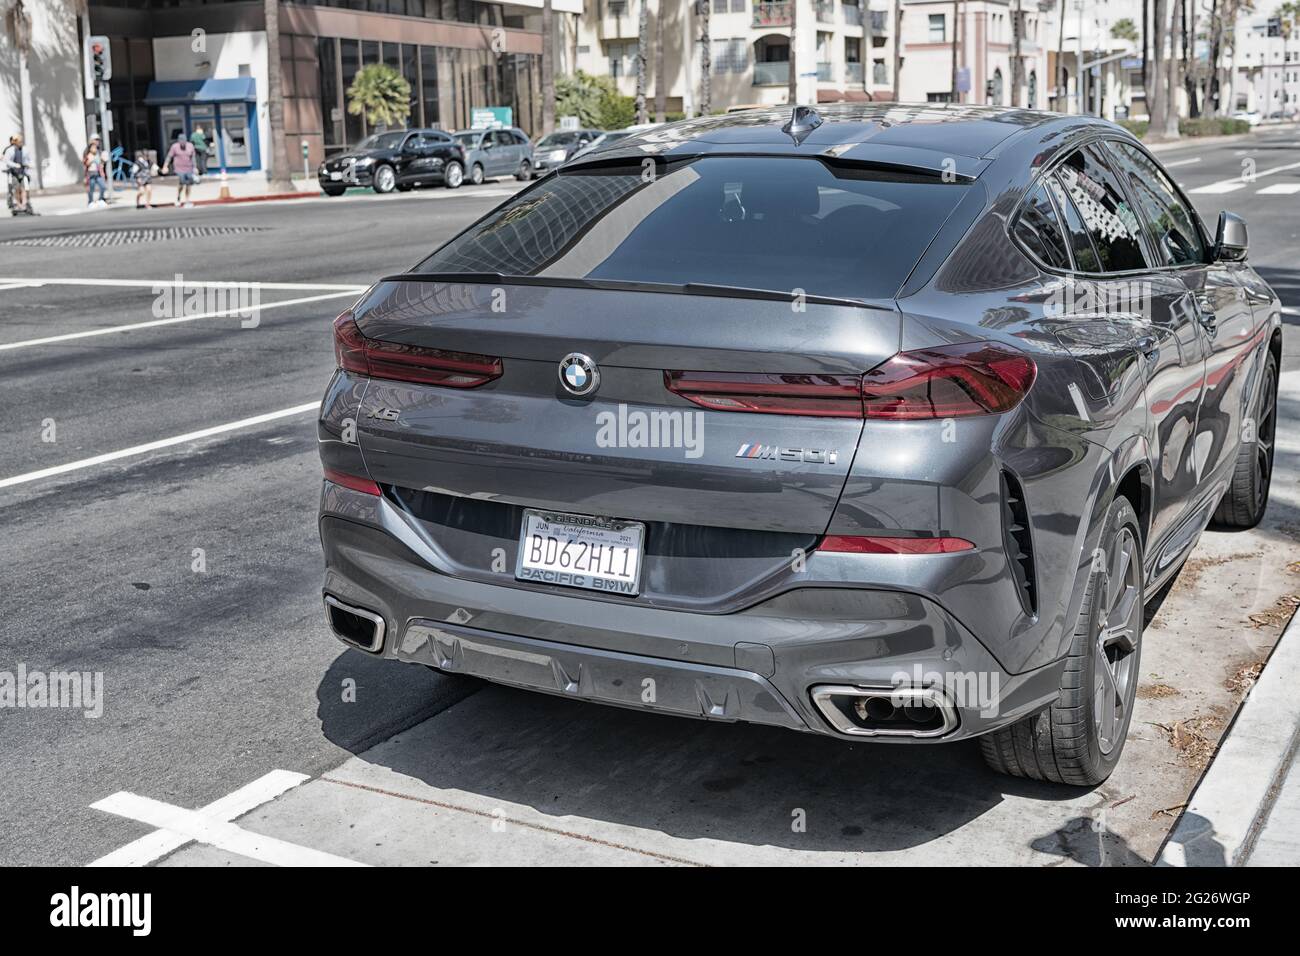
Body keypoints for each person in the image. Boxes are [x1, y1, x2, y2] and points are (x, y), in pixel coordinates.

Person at [162, 132, 198, 207]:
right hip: (179, 168)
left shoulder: (190, 146)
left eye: (184, 141)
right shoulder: (174, 147)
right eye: (181, 141)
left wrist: (195, 167)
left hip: (189, 167)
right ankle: (178, 196)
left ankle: (187, 199)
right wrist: (165, 166)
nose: (182, 143)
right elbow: (169, 157)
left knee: (188, 184)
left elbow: (193, 158)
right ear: (178, 141)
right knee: (182, 182)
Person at [2, 134, 34, 215]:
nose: (20, 143)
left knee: (24, 188)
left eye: (21, 141)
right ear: (14, 142)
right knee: (16, 189)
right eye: (18, 141)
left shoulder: (25, 150)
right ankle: (18, 204)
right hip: (14, 173)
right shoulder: (9, 150)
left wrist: (29, 165)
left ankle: (24, 204)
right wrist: (15, 165)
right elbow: (6, 160)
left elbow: (28, 159)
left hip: (23, 172)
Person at [83, 136, 109, 207]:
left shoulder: (98, 153)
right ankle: (90, 201)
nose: (95, 149)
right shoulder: (88, 154)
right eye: (93, 147)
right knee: (91, 188)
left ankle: (100, 199)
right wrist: (90, 160)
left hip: (98, 173)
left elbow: (102, 162)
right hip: (91, 174)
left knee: (103, 186)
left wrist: (102, 161)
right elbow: (85, 164)